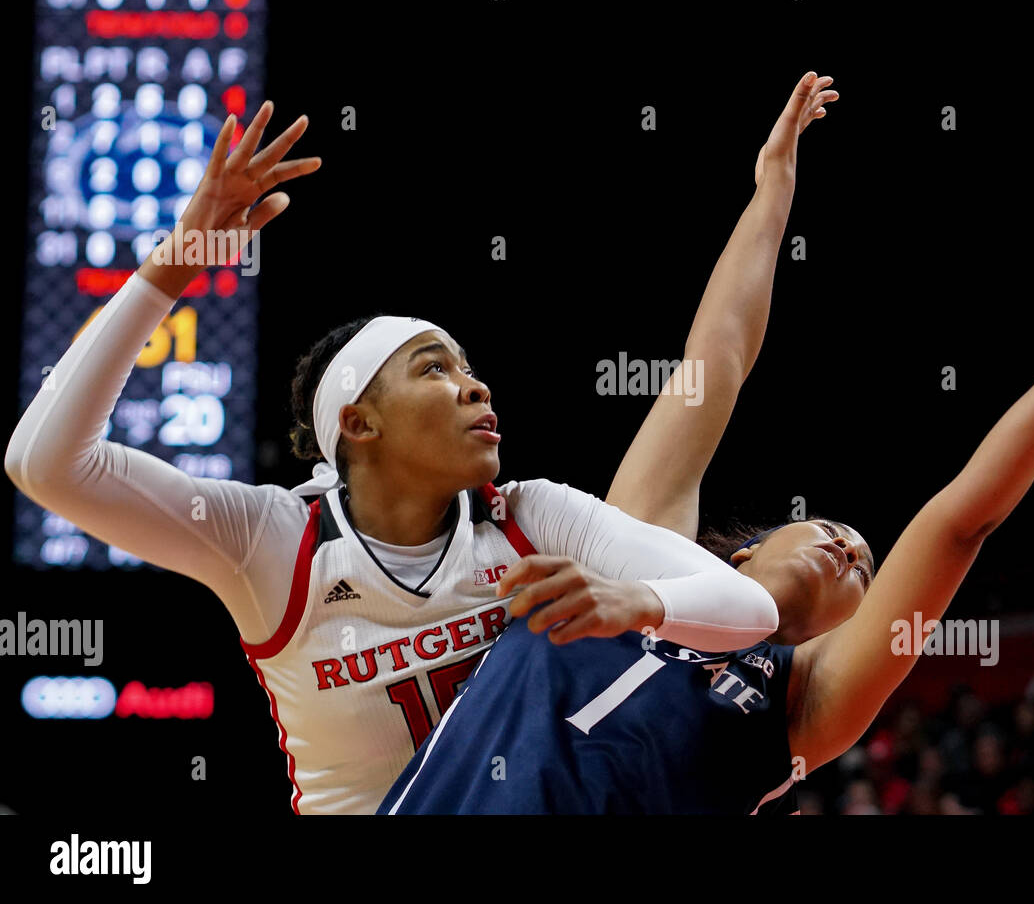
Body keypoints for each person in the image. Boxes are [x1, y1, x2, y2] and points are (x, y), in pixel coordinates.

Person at [5, 103, 778, 815]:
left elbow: (752, 612)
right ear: (359, 423)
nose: (475, 385)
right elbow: (47, 465)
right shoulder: (272, 541)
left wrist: (635, 603)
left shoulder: (531, 515)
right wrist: (175, 263)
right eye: (435, 369)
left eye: (469, 367)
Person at [380, 232, 1034, 813]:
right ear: (748, 544)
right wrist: (772, 192)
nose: (853, 549)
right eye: (835, 531)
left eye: (866, 567)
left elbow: (963, 520)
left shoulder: (801, 704)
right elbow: (715, 362)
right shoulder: (635, 543)